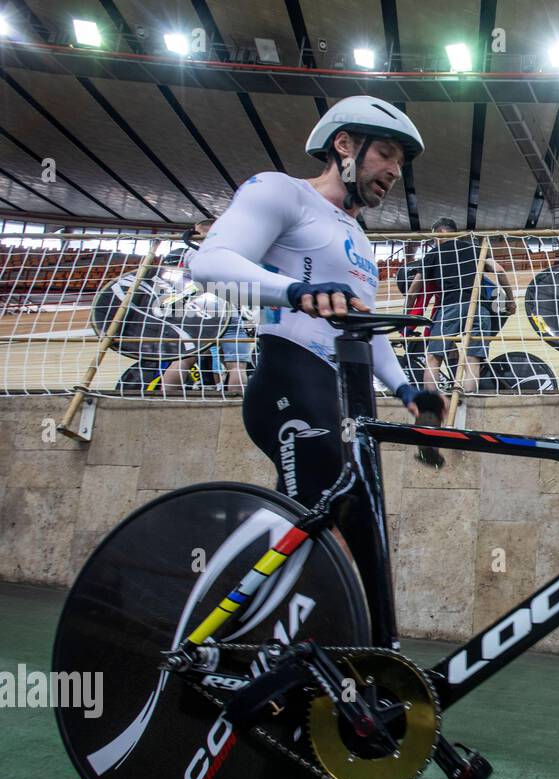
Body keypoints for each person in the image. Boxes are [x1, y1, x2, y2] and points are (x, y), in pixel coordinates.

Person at [190, 94, 443, 509]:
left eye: (399, 163)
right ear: (343, 145)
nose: (395, 171)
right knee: (323, 510)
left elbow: (365, 328)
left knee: (354, 522)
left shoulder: (360, 240)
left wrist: (406, 391)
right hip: (292, 377)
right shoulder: (281, 190)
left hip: (347, 390)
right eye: (385, 153)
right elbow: (209, 265)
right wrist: (297, 291)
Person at [401, 217, 516, 395]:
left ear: (439, 233)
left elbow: (414, 289)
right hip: (478, 308)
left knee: (433, 358)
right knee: (473, 359)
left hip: (450, 307)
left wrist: (405, 314)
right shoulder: (475, 249)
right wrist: (511, 300)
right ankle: (470, 401)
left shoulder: (433, 254)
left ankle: (433, 403)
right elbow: (499, 271)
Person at [158, 218, 255, 393]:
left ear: (198, 232)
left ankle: (163, 400)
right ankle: (234, 404)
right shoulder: (230, 251)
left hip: (196, 310)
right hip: (226, 309)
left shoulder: (190, 254)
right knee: (236, 365)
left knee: (183, 360)